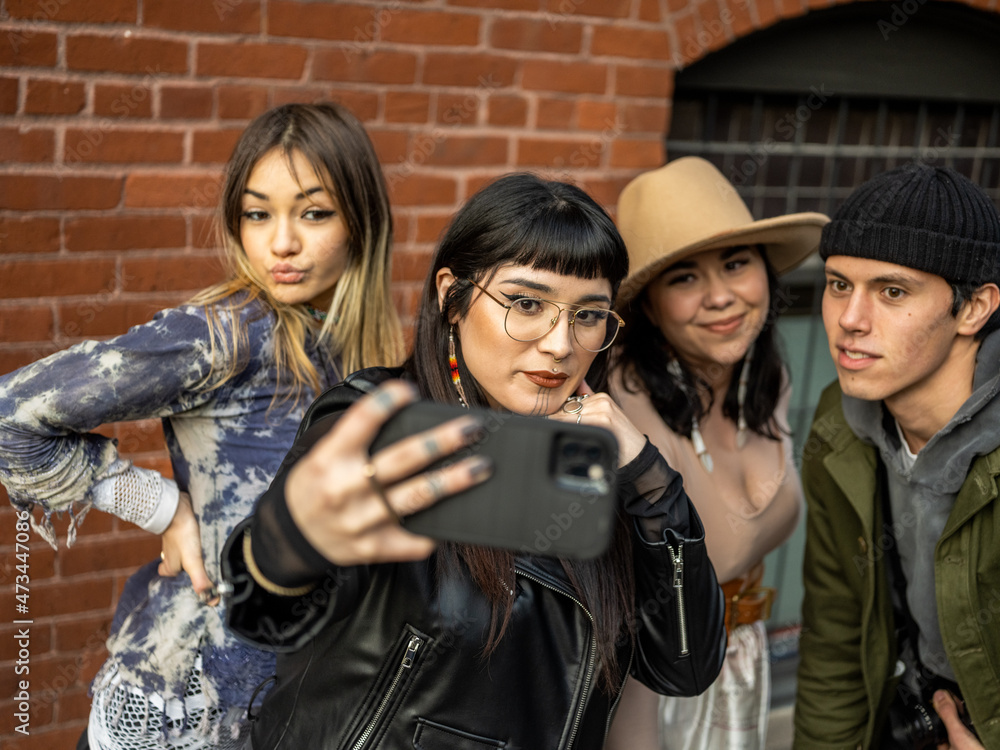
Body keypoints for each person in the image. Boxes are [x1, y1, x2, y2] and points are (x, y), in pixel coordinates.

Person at [220, 173, 728, 749]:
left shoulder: (605, 467)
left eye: (588, 315)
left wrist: (651, 485)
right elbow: (266, 610)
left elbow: (685, 667)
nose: (560, 344)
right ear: (451, 296)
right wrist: (286, 548)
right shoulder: (381, 428)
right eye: (526, 303)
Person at [0, 102, 403, 750]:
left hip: (280, 698)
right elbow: (10, 414)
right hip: (184, 697)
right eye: (257, 214)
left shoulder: (352, 349)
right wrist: (159, 506)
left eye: (314, 213)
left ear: (362, 220)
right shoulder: (226, 333)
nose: (281, 243)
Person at [603, 156, 829, 750]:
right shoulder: (619, 402)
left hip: (742, 669)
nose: (721, 297)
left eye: (735, 264)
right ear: (648, 304)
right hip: (652, 684)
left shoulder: (765, 380)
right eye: (684, 278)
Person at [793, 163, 1000, 750]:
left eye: (892, 291)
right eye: (839, 285)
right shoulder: (839, 423)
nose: (850, 320)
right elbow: (835, 635)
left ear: (974, 308)